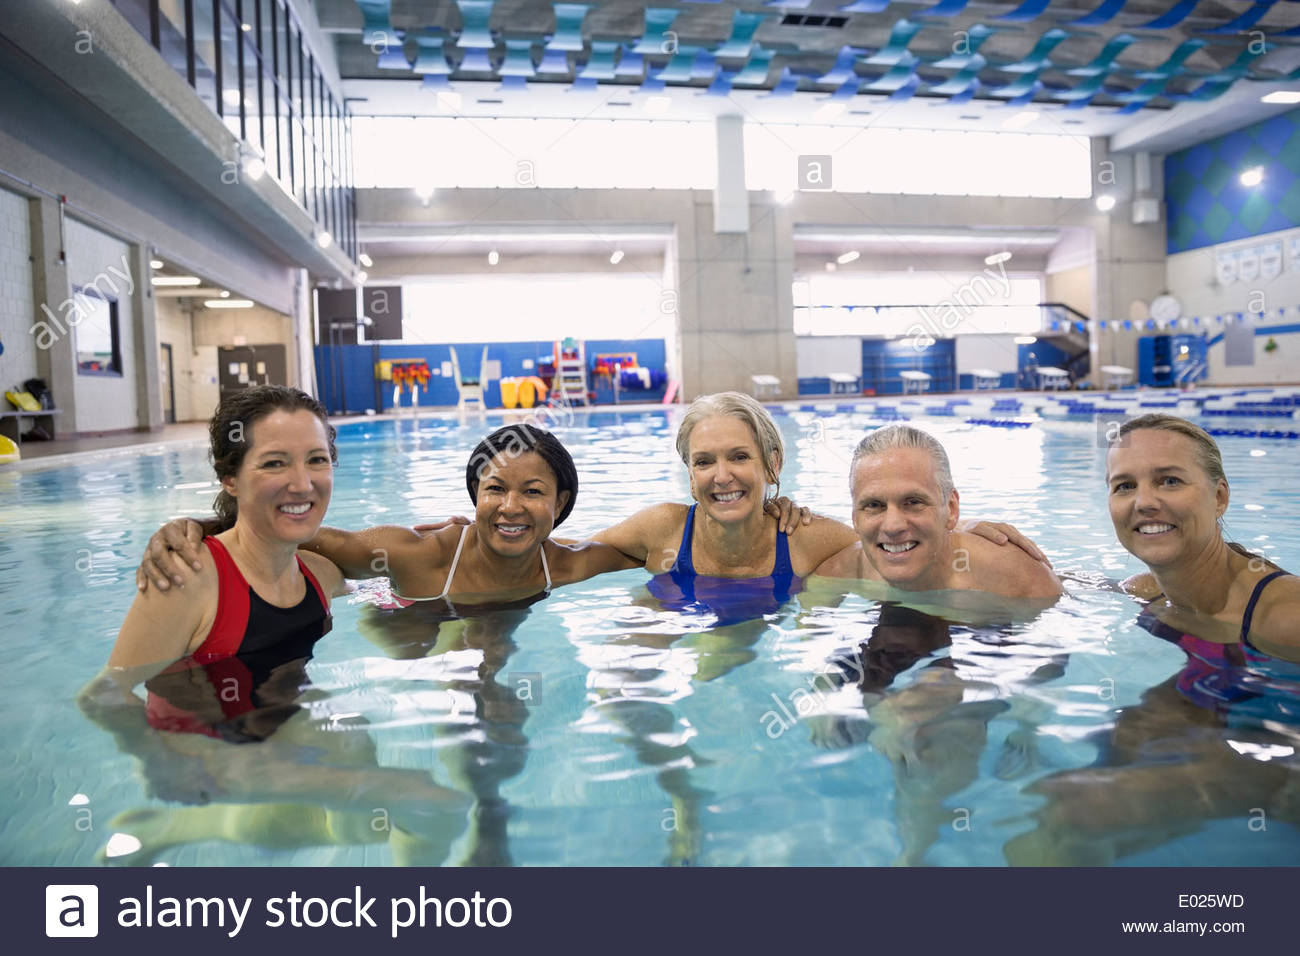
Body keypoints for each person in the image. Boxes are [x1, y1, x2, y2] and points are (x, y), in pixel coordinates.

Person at [79, 386, 467, 864]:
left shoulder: (318, 574)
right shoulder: (190, 577)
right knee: (435, 804)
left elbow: (391, 590)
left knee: (360, 794)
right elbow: (103, 695)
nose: (302, 483)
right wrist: (158, 760)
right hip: (207, 750)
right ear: (230, 478)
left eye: (317, 460)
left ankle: (191, 825)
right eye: (275, 463)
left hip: (280, 723)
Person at [1108, 413, 1299, 662]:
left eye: (1169, 481)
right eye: (1124, 486)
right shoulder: (1147, 590)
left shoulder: (1287, 617)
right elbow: (1080, 583)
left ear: (1219, 498)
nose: (1143, 502)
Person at [814, 424, 1061, 600]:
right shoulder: (835, 575)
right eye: (874, 505)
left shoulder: (1015, 576)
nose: (892, 526)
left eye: (913, 502)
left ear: (951, 509)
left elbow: (1054, 659)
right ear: (855, 517)